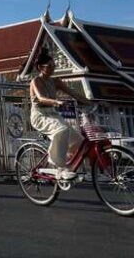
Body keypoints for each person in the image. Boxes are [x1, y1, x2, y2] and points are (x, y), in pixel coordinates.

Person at [29, 49, 89, 180]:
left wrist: (90, 102)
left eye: (54, 66)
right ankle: (59, 166)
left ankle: (67, 165)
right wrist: (56, 102)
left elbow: (73, 93)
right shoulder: (36, 81)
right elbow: (41, 98)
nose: (53, 69)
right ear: (40, 68)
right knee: (62, 129)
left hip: (53, 115)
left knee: (80, 141)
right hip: (40, 116)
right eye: (49, 66)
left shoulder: (55, 81)